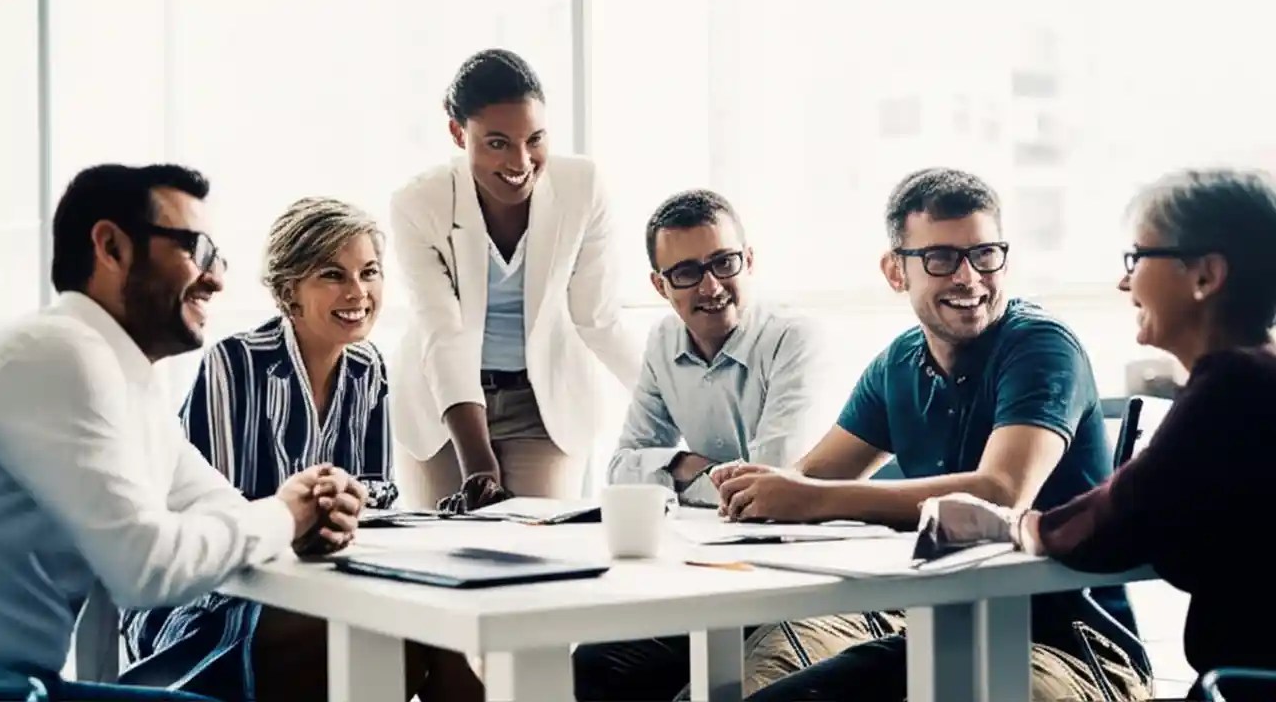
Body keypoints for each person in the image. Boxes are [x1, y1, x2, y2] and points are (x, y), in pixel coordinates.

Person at [718, 168, 1152, 701]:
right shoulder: (898, 362)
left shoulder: (1041, 346)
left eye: (985, 254)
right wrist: (758, 486)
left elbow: (1001, 494)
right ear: (895, 271)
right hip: (923, 618)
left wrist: (810, 497)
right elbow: (810, 477)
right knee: (751, 681)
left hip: (1070, 646)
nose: (969, 278)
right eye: (942, 259)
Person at [0, 164, 363, 701]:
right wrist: (289, 513)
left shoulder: (127, 377)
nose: (214, 279)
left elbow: (220, 504)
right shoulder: (63, 352)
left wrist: (308, 507)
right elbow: (145, 569)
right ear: (111, 247)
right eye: (195, 250)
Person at [927, 168, 1276, 702]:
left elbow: (1116, 519)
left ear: (1205, 276)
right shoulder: (1252, 380)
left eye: (1137, 259)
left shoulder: (1235, 386)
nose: (1123, 282)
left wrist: (1017, 525)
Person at [118, 198, 482, 701]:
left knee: (432, 629)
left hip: (324, 587)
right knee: (403, 633)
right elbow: (225, 519)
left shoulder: (368, 368)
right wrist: (309, 517)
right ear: (290, 293)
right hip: (207, 602)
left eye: (370, 272)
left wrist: (351, 510)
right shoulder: (236, 363)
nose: (358, 292)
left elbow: (376, 500)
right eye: (333, 275)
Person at [573, 189, 898, 700]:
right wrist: (683, 463)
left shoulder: (796, 339)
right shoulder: (663, 341)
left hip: (808, 582)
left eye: (724, 262)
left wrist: (682, 477)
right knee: (593, 665)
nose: (711, 286)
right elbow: (620, 469)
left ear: (749, 260)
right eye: (686, 273)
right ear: (661, 286)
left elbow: (770, 483)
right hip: (716, 575)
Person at [390, 48, 641, 512]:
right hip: (441, 409)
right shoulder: (418, 202)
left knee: (537, 552)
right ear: (457, 132)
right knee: (442, 555)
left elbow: (598, 318)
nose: (521, 161)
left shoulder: (580, 187)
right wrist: (479, 465)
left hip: (542, 401)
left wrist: (667, 404)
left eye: (536, 139)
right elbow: (445, 332)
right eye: (498, 142)